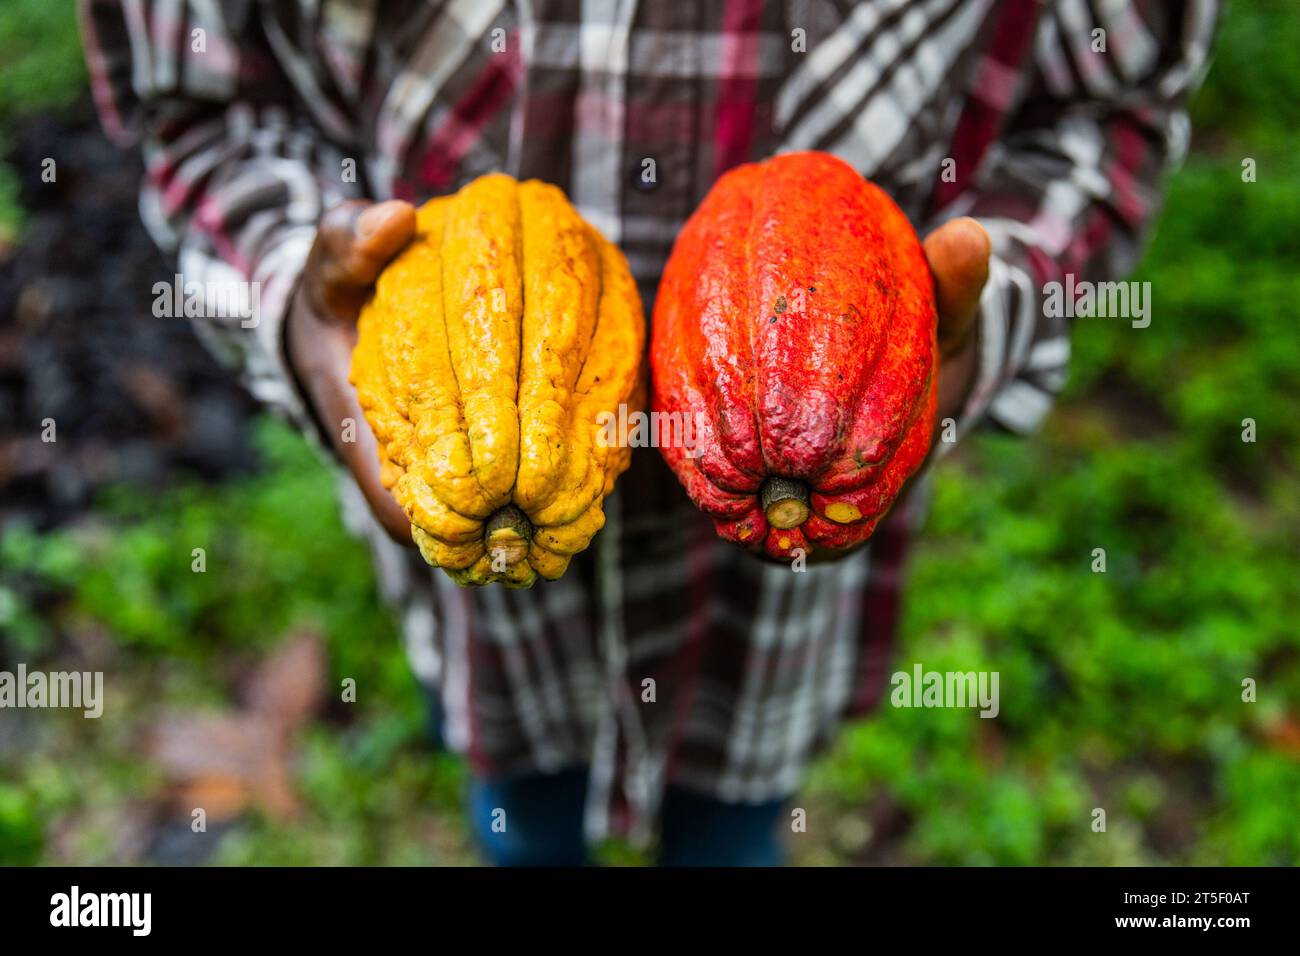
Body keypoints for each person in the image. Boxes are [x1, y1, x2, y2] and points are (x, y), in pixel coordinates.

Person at [81, 0, 1217, 866]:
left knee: (733, 823)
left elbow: (1108, 109)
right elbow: (201, 102)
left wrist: (992, 296)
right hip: (481, 582)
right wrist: (296, 301)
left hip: (776, 594)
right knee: (520, 815)